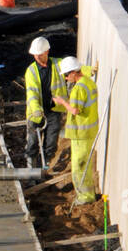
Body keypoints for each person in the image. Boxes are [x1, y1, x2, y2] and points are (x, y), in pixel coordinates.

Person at [54, 57, 99, 203]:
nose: (66, 78)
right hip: (88, 130)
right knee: (83, 164)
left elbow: (75, 110)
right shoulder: (89, 82)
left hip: (81, 133)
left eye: (67, 75)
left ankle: (85, 197)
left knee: (79, 167)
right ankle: (86, 195)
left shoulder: (79, 88)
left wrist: (62, 102)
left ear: (74, 72)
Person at [24, 36, 67, 169]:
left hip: (54, 110)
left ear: (47, 51)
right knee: (32, 143)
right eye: (35, 54)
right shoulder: (31, 71)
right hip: (36, 113)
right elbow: (32, 93)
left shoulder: (58, 64)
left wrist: (89, 70)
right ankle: (31, 172)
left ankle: (46, 167)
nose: (36, 57)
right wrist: (37, 109)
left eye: (39, 54)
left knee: (51, 143)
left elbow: (74, 67)